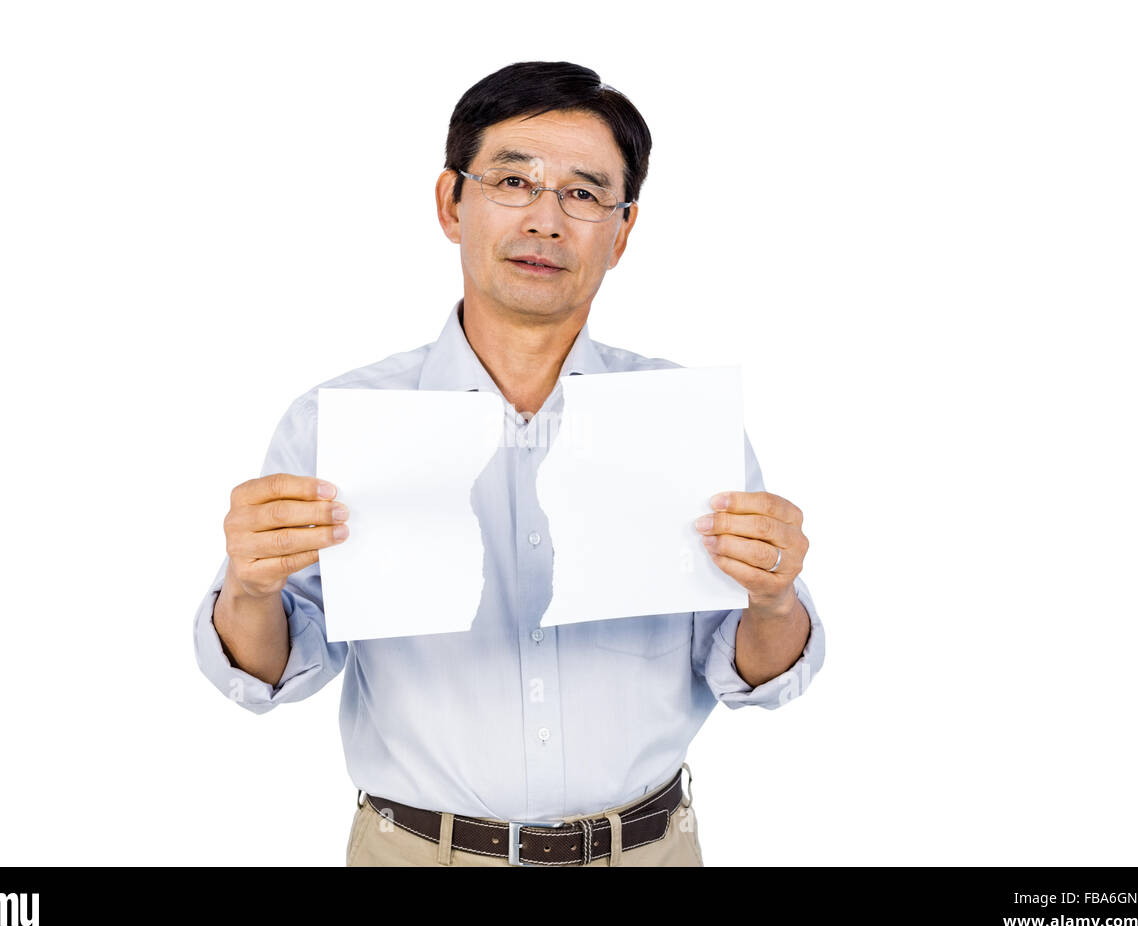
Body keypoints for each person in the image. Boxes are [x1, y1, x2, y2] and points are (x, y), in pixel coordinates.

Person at [192, 60, 826, 867]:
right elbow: (269, 672)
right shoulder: (338, 423)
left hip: (649, 850)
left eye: (584, 193)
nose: (547, 221)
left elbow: (754, 670)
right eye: (513, 181)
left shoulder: (682, 423)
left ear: (623, 231)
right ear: (451, 203)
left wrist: (773, 600)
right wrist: (249, 587)